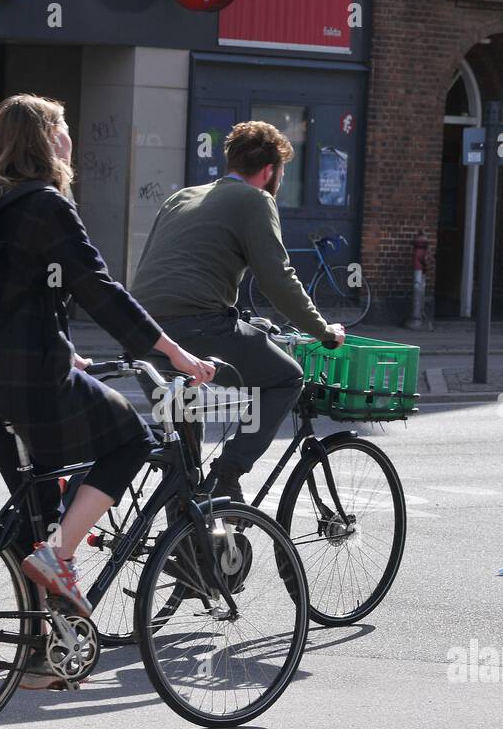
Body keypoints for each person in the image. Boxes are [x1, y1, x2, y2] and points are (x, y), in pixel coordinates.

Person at [0, 94, 214, 687]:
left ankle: (42, 651)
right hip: (29, 385)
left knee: (36, 509)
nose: (72, 140)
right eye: (64, 129)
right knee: (132, 440)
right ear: (46, 140)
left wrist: (61, 345)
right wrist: (174, 354)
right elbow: (101, 291)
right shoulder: (45, 205)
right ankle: (58, 556)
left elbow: (8, 295)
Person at [131, 121, 346, 502]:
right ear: (269, 171)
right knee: (285, 379)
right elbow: (278, 281)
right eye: (280, 172)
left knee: (184, 457)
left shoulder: (181, 197)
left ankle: (188, 553)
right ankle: (228, 474)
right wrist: (322, 331)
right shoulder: (256, 199)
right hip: (198, 328)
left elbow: (164, 271)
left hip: (143, 333)